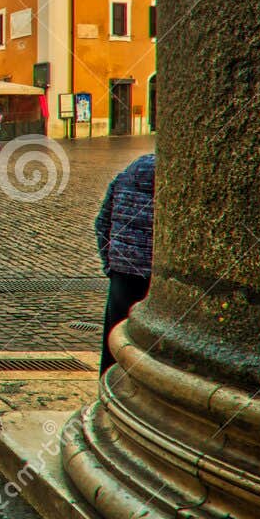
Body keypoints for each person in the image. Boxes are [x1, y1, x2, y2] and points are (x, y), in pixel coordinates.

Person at [95, 152, 155, 374]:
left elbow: (102, 222)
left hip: (123, 271)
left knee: (114, 340)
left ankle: (109, 390)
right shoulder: (174, 183)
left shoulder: (124, 179)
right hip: (154, 275)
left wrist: (110, 264)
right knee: (149, 345)